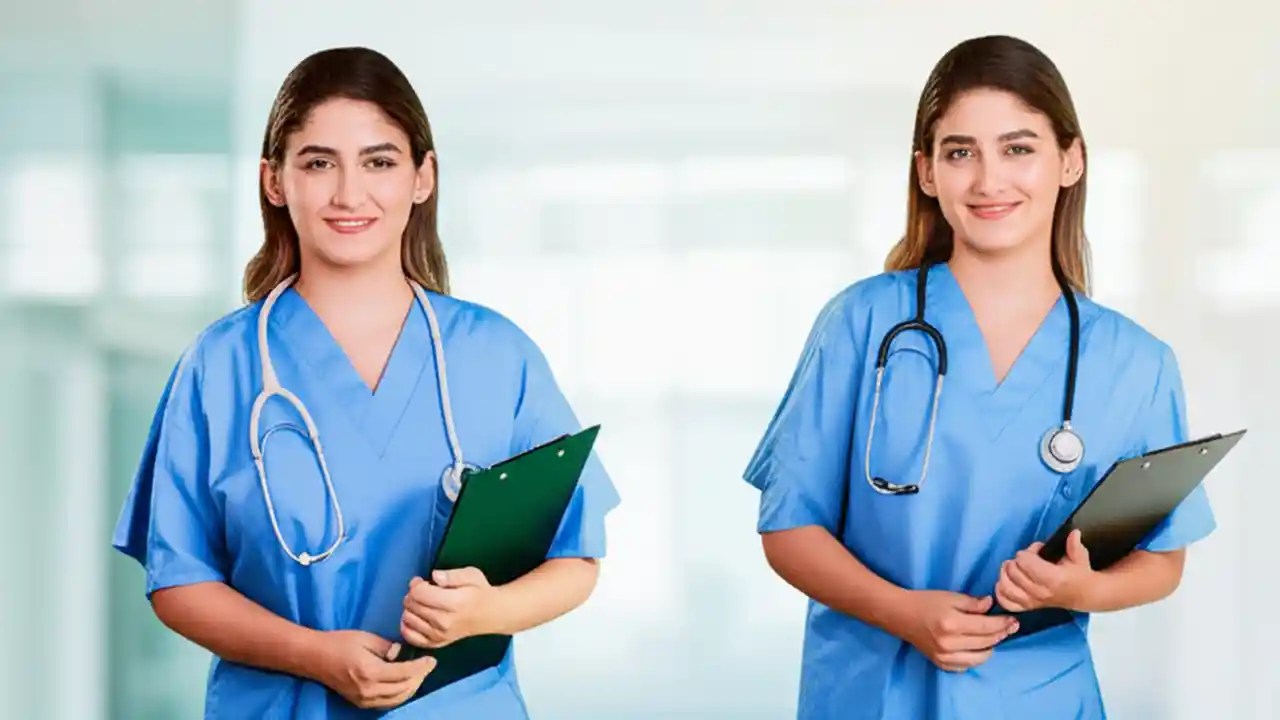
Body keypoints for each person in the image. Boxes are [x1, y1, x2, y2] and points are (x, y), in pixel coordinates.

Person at [111, 46, 620, 718]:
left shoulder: (498, 356)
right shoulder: (220, 367)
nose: (349, 194)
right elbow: (179, 581)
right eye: (319, 163)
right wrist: (313, 655)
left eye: (379, 162)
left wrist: (488, 610)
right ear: (273, 180)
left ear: (422, 177)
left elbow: (575, 560)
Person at [741, 35, 1213, 719]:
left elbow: (1162, 560)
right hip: (872, 694)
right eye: (961, 152)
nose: (989, 181)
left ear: (1070, 161)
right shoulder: (861, 322)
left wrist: (1081, 590)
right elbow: (789, 529)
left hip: (1039, 698)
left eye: (1018, 149)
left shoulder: (1136, 363)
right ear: (928, 172)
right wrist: (903, 612)